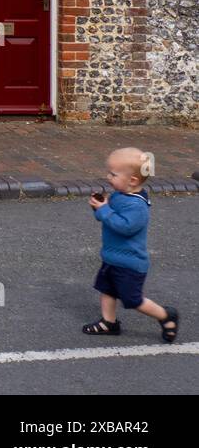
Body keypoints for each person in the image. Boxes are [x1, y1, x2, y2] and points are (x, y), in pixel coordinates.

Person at [82, 146, 179, 343]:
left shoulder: (137, 206)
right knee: (107, 289)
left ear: (132, 180)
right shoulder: (119, 195)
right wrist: (99, 207)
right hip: (112, 257)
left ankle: (165, 315)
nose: (108, 177)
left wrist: (104, 210)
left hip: (130, 263)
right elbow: (108, 217)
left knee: (133, 300)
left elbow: (124, 227)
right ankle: (108, 322)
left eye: (113, 174)